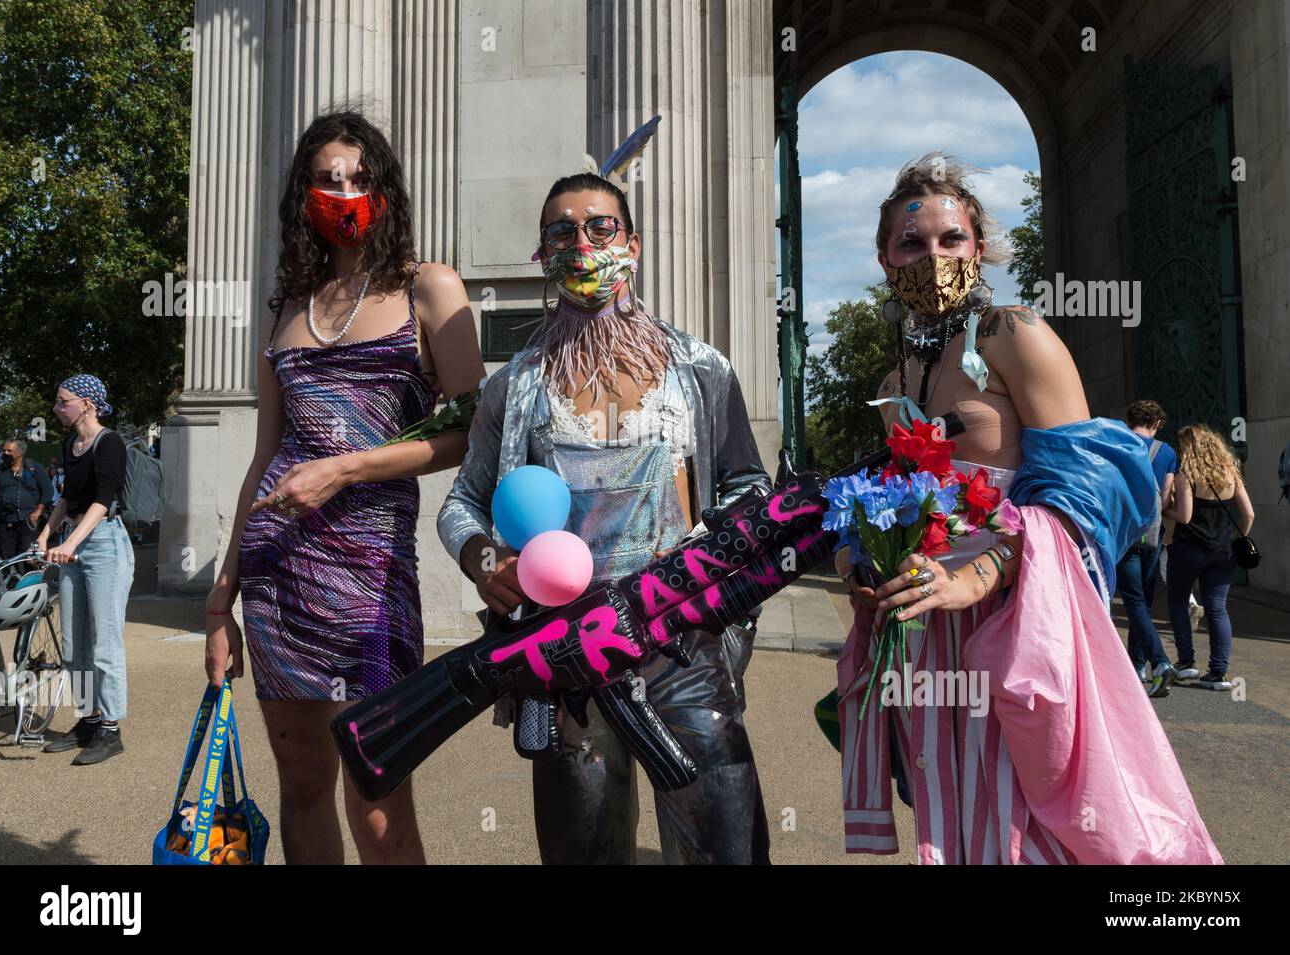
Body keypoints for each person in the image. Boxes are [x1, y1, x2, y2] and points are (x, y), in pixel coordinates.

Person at [835, 153, 1221, 864]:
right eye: (912, 243)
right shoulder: (894, 375)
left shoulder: (1016, 333)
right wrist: (858, 553)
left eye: (952, 240)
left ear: (979, 247)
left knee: (1033, 818)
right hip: (928, 630)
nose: (934, 256)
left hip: (1018, 618)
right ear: (885, 257)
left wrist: (978, 575)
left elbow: (1090, 493)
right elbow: (899, 501)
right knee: (952, 808)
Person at [438, 169, 772, 864]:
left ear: (635, 244)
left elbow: (748, 484)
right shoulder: (515, 385)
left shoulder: (700, 369)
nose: (582, 243)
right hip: (565, 656)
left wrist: (723, 585)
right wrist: (484, 559)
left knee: (726, 846)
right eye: (561, 229)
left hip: (684, 642)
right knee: (583, 851)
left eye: (600, 226)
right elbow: (464, 501)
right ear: (543, 251)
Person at [204, 110, 485, 864]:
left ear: (385, 188)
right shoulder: (283, 310)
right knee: (301, 785)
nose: (344, 190)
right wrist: (222, 592)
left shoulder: (429, 288)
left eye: (360, 177)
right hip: (276, 573)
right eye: (327, 179)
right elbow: (264, 454)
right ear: (304, 195)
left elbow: (470, 433)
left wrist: (348, 467)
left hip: (373, 576)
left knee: (379, 797)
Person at [35, 375, 135, 765]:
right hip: (72, 542)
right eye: (58, 401)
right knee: (75, 642)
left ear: (88, 404)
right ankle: (88, 719)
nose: (57, 407)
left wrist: (71, 543)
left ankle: (110, 728)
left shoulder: (109, 442)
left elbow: (104, 496)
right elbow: (68, 496)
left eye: (63, 401)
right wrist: (47, 534)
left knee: (105, 642)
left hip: (104, 542)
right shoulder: (69, 442)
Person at [1164, 424, 1254, 690]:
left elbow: (1185, 516)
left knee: (1178, 601)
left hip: (1188, 549)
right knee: (1217, 608)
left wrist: (1165, 509)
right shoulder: (1231, 474)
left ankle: (1187, 661)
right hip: (1221, 551)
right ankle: (1218, 673)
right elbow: (1249, 514)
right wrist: (1237, 539)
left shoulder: (1186, 475)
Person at [1114, 399, 1178, 697]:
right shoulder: (1166, 452)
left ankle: (1158, 662)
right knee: (1143, 604)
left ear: (1130, 421)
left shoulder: (1118, 443)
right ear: (1158, 423)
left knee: (1133, 602)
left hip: (1125, 534)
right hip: (1152, 536)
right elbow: (1164, 501)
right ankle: (1136, 665)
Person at [0, 438, 54, 559]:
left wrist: (38, 510)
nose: (5, 454)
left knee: (29, 558)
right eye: (4, 451)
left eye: (9, 451)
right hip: (5, 523)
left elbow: (48, 490)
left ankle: (29, 577)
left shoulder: (33, 467)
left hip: (28, 522)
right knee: (7, 560)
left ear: (19, 452)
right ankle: (11, 578)